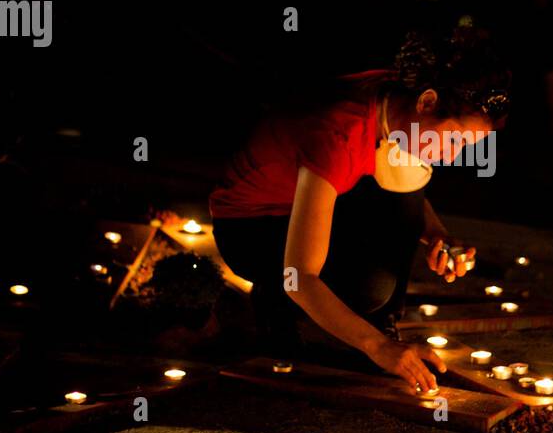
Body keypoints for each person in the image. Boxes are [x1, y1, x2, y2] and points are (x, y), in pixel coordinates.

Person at [209, 27, 510, 393]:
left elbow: (404, 185)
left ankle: (374, 323)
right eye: (455, 140)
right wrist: (377, 347)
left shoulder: (398, 96)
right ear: (427, 102)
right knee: (370, 287)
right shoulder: (338, 134)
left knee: (399, 204)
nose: (452, 156)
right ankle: (282, 316)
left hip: (306, 196)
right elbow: (299, 275)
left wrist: (436, 234)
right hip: (251, 227)